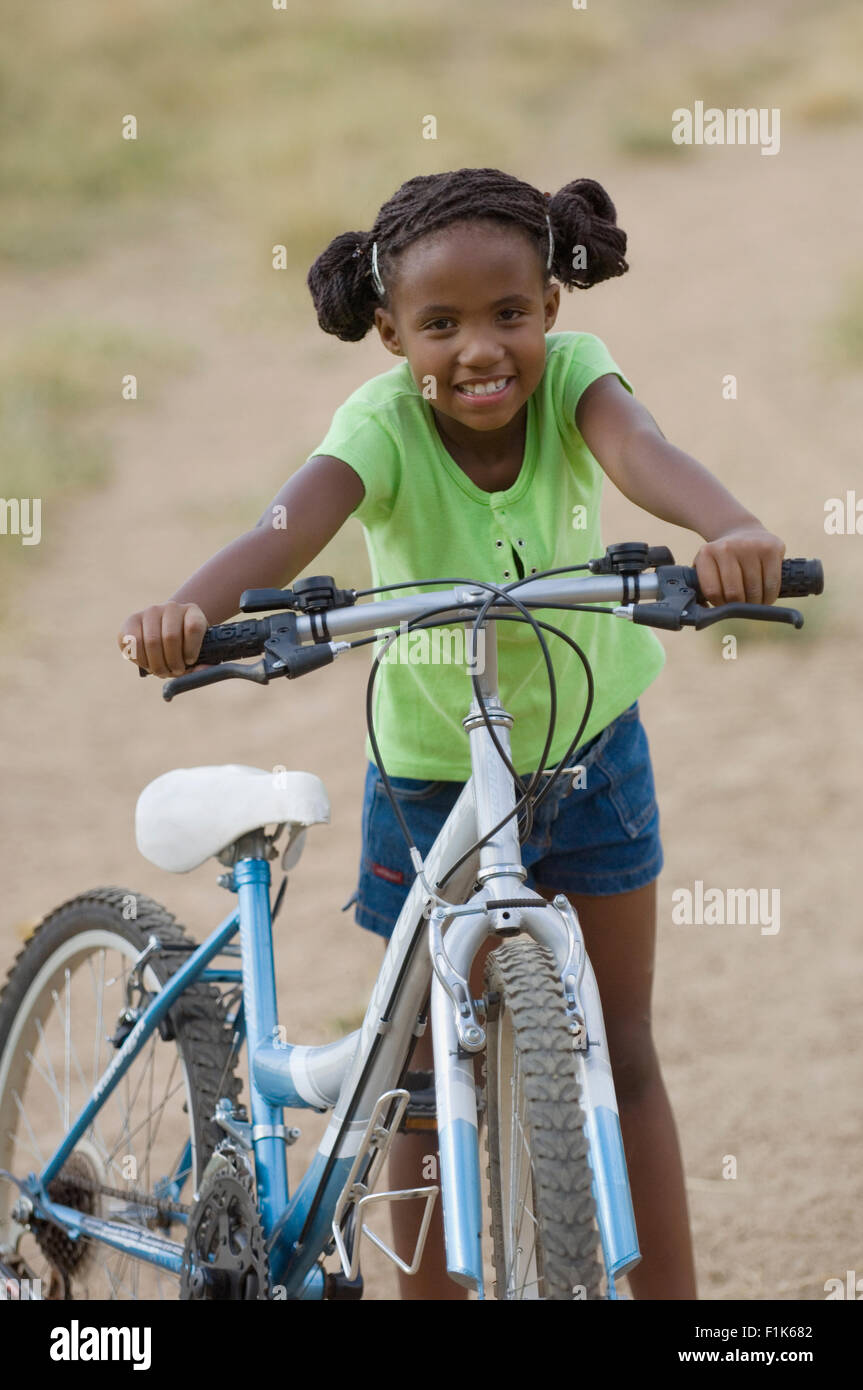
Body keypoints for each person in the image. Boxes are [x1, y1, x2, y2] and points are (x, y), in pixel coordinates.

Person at [118, 167, 785, 1301]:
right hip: (432, 780)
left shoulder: (578, 380)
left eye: (507, 315)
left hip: (591, 756)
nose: (480, 349)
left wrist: (724, 524)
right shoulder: (379, 423)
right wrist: (196, 604)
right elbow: (289, 523)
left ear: (550, 311)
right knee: (424, 1074)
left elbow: (639, 452)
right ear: (388, 333)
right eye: (439, 325)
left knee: (621, 1050)